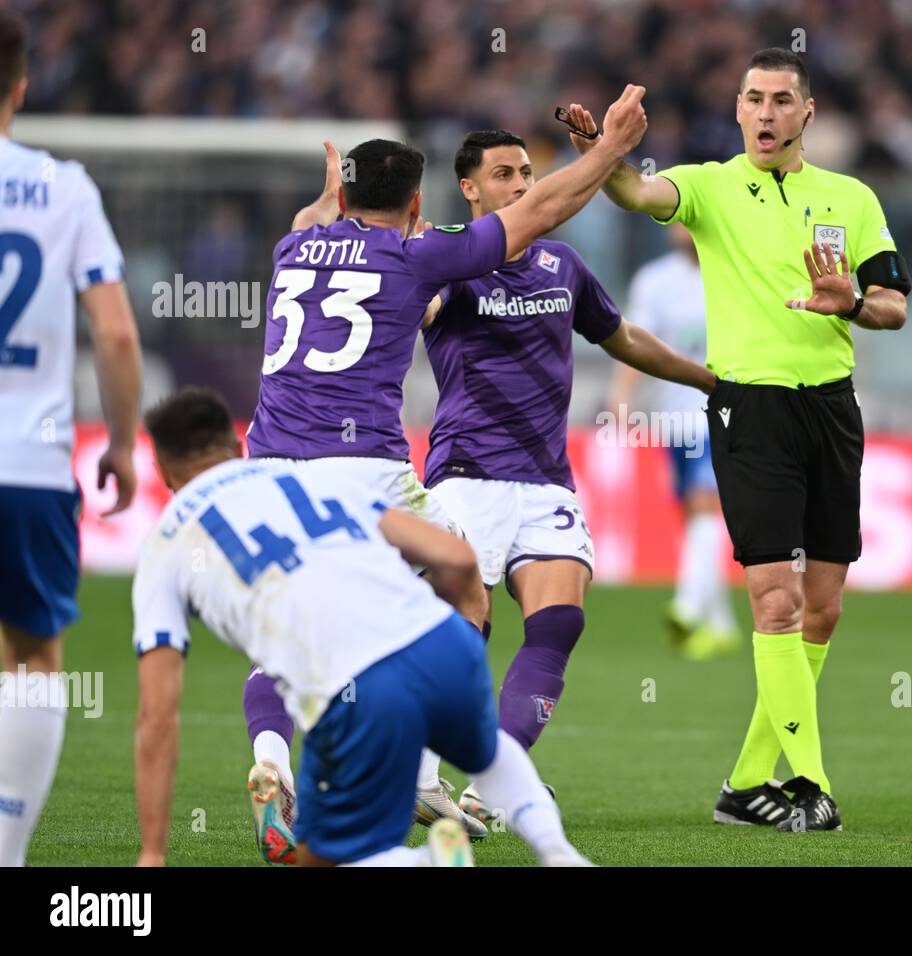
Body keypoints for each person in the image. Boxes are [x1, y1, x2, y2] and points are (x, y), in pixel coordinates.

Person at [237, 86, 650, 859]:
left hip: (267, 469)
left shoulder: (292, 249)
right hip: (360, 469)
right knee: (461, 580)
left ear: (344, 196)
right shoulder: (415, 254)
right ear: (421, 201)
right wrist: (607, 150)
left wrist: (327, 203)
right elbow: (539, 214)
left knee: (292, 625)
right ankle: (438, 766)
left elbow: (308, 223)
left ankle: (270, 763)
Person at [564, 49, 911, 831]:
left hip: (831, 409)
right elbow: (633, 190)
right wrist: (604, 150)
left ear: (807, 113)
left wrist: (849, 300)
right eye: (752, 98)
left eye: (781, 100)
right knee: (775, 597)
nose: (764, 113)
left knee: (822, 609)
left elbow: (893, 306)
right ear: (738, 109)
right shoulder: (709, 186)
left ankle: (745, 786)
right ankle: (811, 786)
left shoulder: (850, 199)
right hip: (748, 408)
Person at [133, 387, 590, 867]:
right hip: (440, 639)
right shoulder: (311, 483)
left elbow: (157, 715)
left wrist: (152, 853)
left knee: (318, 861)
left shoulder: (164, 546)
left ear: (162, 469)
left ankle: (430, 861)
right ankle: (559, 853)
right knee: (487, 751)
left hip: (353, 685)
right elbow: (454, 556)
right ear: (233, 445)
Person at [417, 130, 715, 822]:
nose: (520, 184)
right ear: (471, 189)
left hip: (546, 479)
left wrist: (713, 382)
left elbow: (626, 338)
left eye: (527, 172)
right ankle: (420, 775)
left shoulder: (562, 263)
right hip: (467, 473)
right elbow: (419, 310)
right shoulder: (450, 258)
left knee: (559, 625)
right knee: (465, 624)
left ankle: (497, 777)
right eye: (503, 174)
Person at [0, 9, 142, 866]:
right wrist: (122, 445)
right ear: (21, 85)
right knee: (33, 654)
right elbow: (118, 335)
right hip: (30, 462)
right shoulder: (63, 187)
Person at [604, 223, 740, 661]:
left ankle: (686, 606)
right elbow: (633, 340)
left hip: (725, 414)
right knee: (694, 515)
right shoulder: (655, 280)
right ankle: (721, 625)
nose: (679, 227)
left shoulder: (736, 271)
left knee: (704, 503)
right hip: (673, 417)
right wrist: (621, 395)